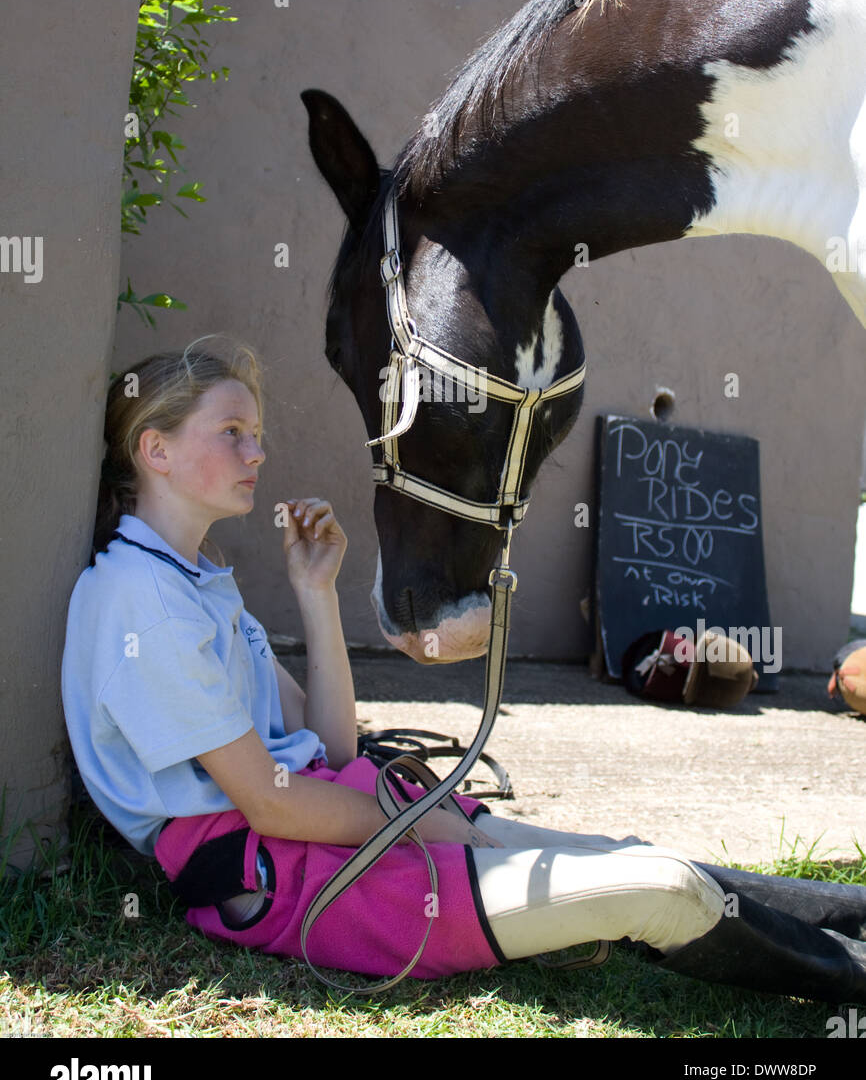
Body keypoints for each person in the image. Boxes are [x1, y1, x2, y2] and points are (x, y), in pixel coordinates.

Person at [61, 334, 866, 1003]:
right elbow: (268, 808)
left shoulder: (195, 583)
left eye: (257, 432)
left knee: (616, 853)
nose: (258, 452)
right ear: (154, 450)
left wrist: (317, 596)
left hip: (339, 814)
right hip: (291, 873)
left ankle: (851, 914)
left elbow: (334, 750)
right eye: (232, 431)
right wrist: (417, 827)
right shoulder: (144, 601)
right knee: (655, 891)